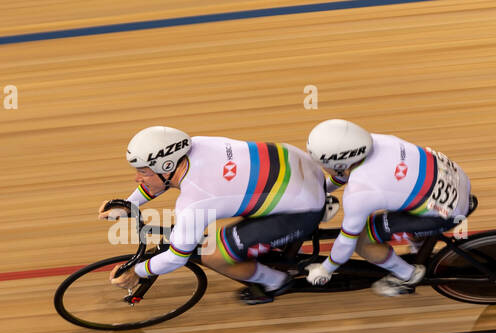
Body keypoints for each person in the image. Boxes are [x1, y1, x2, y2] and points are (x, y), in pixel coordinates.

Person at [99, 126, 326, 304]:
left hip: (301, 212)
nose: (137, 179)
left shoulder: (194, 203)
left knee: (213, 255)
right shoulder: (197, 144)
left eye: (142, 172)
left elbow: (176, 258)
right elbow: (160, 180)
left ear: (167, 164)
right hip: (299, 164)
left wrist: (137, 271)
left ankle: (276, 282)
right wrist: (129, 204)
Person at [302, 118, 472, 296]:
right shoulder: (378, 140)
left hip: (446, 213)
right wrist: (323, 190)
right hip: (458, 181)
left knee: (362, 241)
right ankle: (420, 243)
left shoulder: (359, 194)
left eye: (323, 165)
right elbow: (344, 173)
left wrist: (325, 269)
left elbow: (346, 243)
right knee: (398, 196)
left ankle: (408, 275)